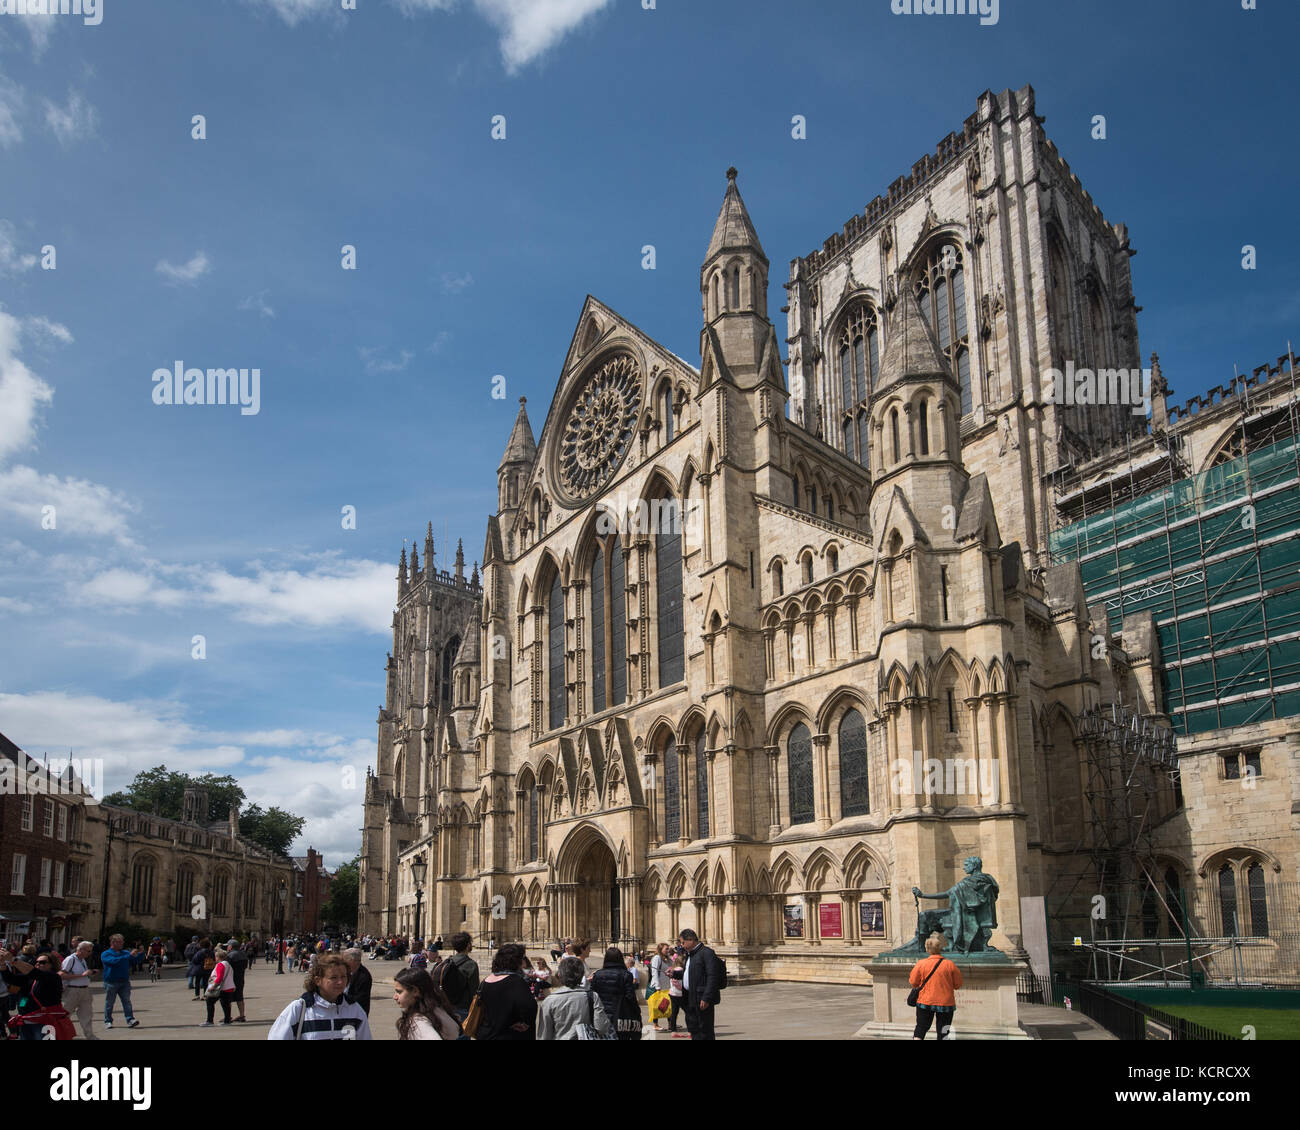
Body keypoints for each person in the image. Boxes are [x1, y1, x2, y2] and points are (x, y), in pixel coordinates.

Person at [267, 953, 372, 1040]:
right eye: (333, 977)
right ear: (318, 980)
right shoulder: (299, 1009)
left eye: (343, 977)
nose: (340, 982)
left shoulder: (355, 1010)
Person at [535, 956, 613, 1040]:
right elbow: (602, 1027)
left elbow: (544, 1035)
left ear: (559, 975)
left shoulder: (549, 1001)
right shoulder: (592, 997)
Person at [474, 943, 537, 1041]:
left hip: (486, 1033)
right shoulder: (516, 982)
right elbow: (529, 1009)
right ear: (516, 961)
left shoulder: (485, 981)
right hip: (508, 1035)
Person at [1, 945, 63, 1040]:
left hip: (44, 1021)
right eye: (36, 962)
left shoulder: (53, 977)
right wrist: (2, 965)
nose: (38, 964)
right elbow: (11, 979)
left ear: (52, 964)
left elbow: (34, 972)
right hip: (26, 1020)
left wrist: (12, 959)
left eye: (42, 962)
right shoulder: (30, 978)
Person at [909, 933, 962, 1041]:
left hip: (925, 1001)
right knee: (944, 1031)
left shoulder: (921, 963)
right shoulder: (949, 964)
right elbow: (958, 984)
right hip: (945, 1003)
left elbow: (913, 982)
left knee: (921, 1028)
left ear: (928, 949)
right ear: (940, 948)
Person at [678, 928, 723, 1041]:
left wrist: (707, 997)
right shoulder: (690, 954)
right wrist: (674, 974)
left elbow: (712, 976)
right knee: (694, 1029)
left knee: (705, 1031)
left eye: (683, 942)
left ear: (691, 940)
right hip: (690, 998)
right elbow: (691, 973)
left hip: (701, 999)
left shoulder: (707, 953)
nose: (682, 946)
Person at [392, 967, 460, 1040]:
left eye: (399, 992)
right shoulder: (437, 1009)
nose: (394, 997)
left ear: (415, 991)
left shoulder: (418, 1021)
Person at [591, 946, 641, 1041]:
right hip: (621, 1018)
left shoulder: (598, 975)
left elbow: (592, 996)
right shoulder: (626, 975)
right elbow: (631, 997)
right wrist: (637, 1013)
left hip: (602, 1016)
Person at [433, 932, 479, 1023]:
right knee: (462, 1035)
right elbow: (474, 989)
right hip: (462, 1007)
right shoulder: (471, 964)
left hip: (445, 1006)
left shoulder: (447, 961)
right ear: (468, 945)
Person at [100, 935, 140, 1029]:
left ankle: (130, 1019)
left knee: (126, 1001)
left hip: (124, 981)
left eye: (122, 941)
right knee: (109, 1002)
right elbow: (113, 962)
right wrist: (128, 956)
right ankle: (108, 1021)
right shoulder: (106, 954)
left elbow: (134, 961)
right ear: (113, 943)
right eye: (120, 942)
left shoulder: (125, 952)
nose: (122, 943)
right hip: (111, 981)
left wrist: (139, 954)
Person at [59, 940, 97, 1040]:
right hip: (72, 990)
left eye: (90, 951)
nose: (90, 953)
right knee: (65, 1014)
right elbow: (61, 975)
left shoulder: (82, 960)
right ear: (80, 950)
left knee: (87, 1014)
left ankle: (89, 1036)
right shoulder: (70, 959)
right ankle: (63, 1035)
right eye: (88, 951)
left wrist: (90, 973)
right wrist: (81, 975)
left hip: (84, 990)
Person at [201, 946, 237, 1027]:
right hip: (229, 986)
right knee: (226, 1004)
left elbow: (219, 977)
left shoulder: (220, 965)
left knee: (210, 1002)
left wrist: (213, 986)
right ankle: (227, 1020)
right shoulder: (228, 964)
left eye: (215, 956)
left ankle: (209, 1020)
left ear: (218, 957)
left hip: (222, 988)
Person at [224, 938, 249, 1022]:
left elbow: (226, 967)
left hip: (230, 979)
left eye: (227, 946)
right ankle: (242, 1015)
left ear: (231, 947)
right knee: (239, 997)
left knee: (227, 998)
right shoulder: (243, 954)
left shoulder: (230, 956)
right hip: (240, 978)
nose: (227, 947)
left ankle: (227, 1016)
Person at [343, 948, 373, 1015]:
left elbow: (359, 998)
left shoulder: (363, 976)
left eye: (345, 959)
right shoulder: (347, 971)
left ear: (352, 961)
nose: (343, 962)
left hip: (356, 1013)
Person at [666, 952, 685, 1034]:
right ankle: (693, 1026)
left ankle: (672, 1027)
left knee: (674, 1011)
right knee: (688, 1011)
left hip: (672, 993)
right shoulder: (681, 970)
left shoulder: (672, 970)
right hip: (680, 994)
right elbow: (681, 983)